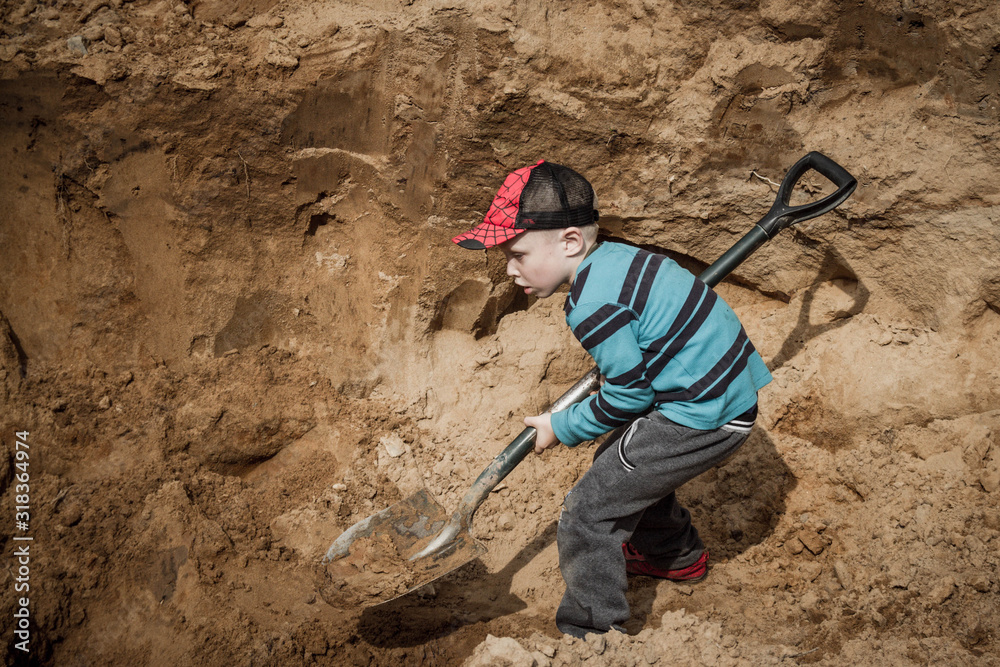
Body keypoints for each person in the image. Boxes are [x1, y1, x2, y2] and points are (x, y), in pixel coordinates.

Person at [451, 160, 772, 638]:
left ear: (570, 242)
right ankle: (674, 558)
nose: (509, 268)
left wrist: (561, 427)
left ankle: (592, 631)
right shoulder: (618, 258)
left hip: (702, 415)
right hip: (725, 394)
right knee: (624, 466)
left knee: (588, 512)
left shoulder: (592, 304)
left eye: (517, 253)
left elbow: (628, 395)